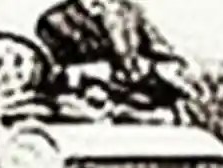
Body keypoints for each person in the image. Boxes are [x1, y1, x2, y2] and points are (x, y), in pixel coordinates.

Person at [36, 0, 194, 112]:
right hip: (85, 107)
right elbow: (52, 74)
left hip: (137, 105)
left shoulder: (131, 13)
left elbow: (165, 54)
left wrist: (168, 68)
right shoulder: (54, 21)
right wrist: (93, 72)